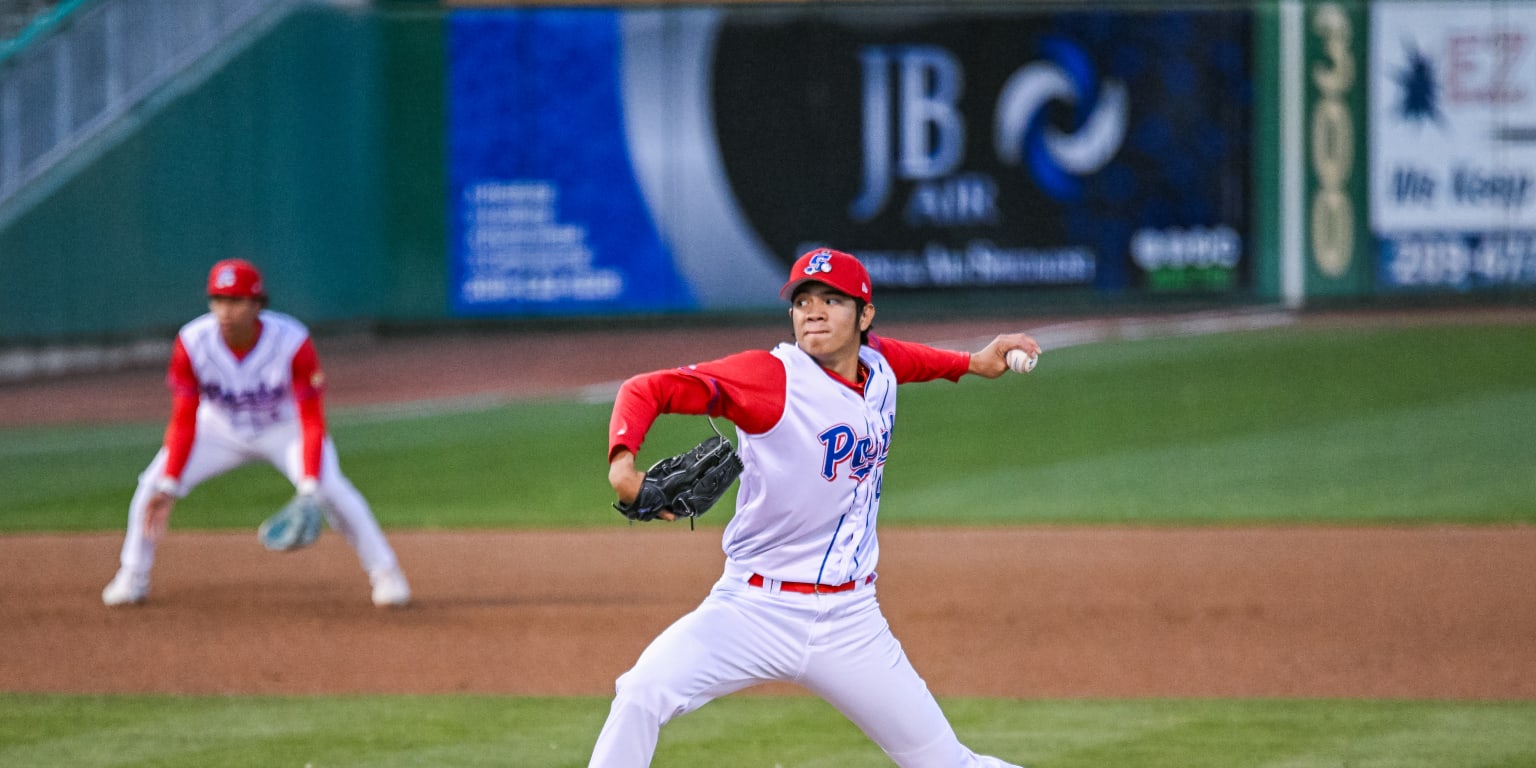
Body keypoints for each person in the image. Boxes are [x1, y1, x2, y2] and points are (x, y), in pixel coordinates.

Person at [592, 248, 1038, 767]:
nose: (815, 311)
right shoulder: (769, 377)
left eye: (832, 300)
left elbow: (907, 359)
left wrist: (972, 363)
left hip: (851, 622)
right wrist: (623, 465)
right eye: (803, 301)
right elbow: (647, 388)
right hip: (752, 608)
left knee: (944, 763)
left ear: (864, 316)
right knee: (642, 692)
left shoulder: (878, 366)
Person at [101, 258, 411, 608]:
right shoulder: (192, 342)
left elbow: (311, 419)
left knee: (334, 490)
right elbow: (184, 418)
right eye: (218, 300)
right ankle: (132, 576)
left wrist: (309, 486)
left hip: (284, 429)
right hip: (217, 430)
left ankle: (386, 574)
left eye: (234, 301)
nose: (225, 310)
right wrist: (170, 483)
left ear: (256, 304)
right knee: (150, 487)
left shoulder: (292, 341)